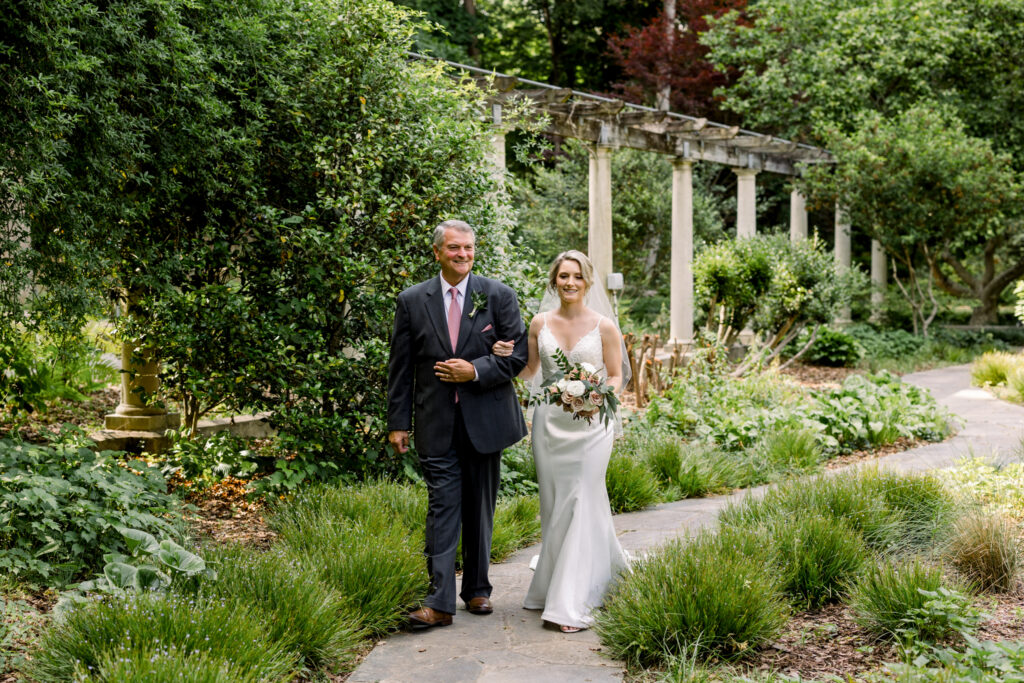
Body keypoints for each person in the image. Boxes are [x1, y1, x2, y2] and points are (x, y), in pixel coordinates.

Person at [387, 219, 529, 630]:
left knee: (480, 507)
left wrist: (476, 370)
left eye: (467, 248)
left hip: (486, 420)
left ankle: (478, 589)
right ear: (437, 252)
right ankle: (439, 601)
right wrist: (399, 422)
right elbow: (401, 368)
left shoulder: (497, 295)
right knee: (442, 508)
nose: (462, 255)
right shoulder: (413, 300)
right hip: (436, 421)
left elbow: (516, 355)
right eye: (453, 248)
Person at [492, 250, 629, 633]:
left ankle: (570, 602)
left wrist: (597, 395)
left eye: (577, 277)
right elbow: (531, 371)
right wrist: (506, 355)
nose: (570, 283)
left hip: (591, 426)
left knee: (583, 499)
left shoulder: (604, 326)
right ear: (554, 280)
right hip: (550, 425)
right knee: (556, 506)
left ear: (588, 282)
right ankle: (557, 584)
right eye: (563, 276)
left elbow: (617, 375)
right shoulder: (538, 323)